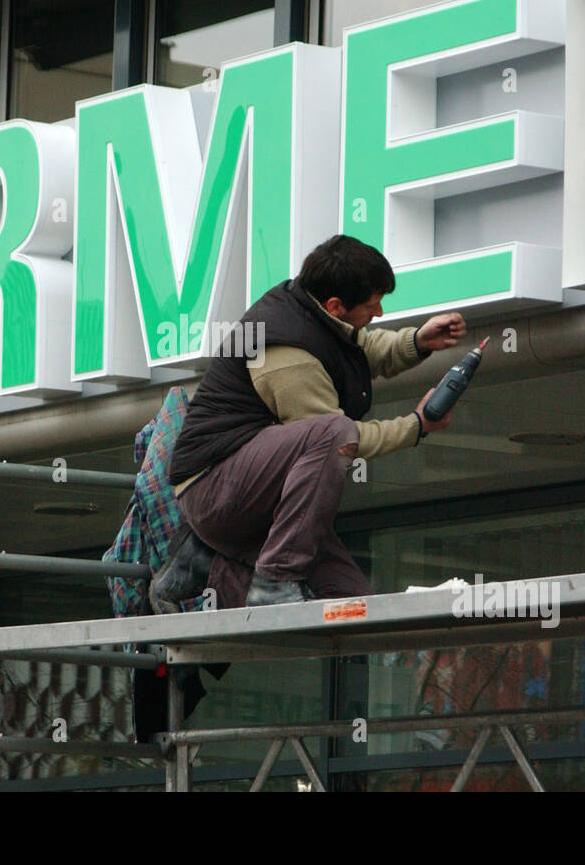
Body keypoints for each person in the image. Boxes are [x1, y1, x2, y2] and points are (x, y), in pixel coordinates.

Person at [151, 235, 466, 610]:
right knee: (332, 432)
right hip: (214, 489)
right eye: (372, 305)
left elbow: (360, 346)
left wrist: (418, 341)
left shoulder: (307, 306)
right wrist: (415, 427)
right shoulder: (286, 353)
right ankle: (275, 579)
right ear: (335, 305)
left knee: (355, 606)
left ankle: (203, 564)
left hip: (250, 494)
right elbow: (339, 437)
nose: (379, 312)